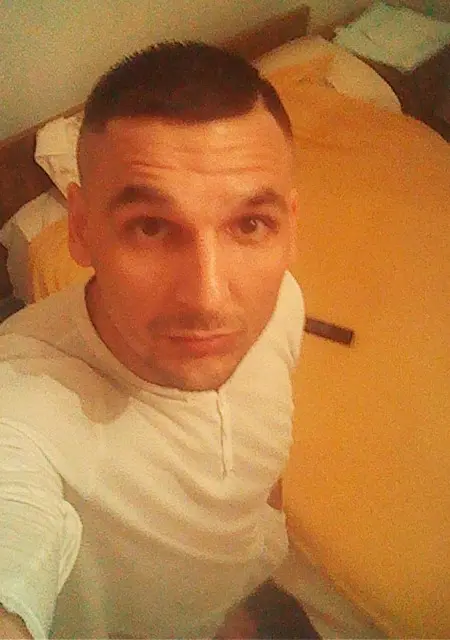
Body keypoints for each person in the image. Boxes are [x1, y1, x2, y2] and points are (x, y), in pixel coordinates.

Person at [0, 42, 312, 639]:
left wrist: (239, 580)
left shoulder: (283, 300)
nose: (210, 299)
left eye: (250, 224)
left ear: (289, 229)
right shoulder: (22, 404)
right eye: (150, 226)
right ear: (80, 229)